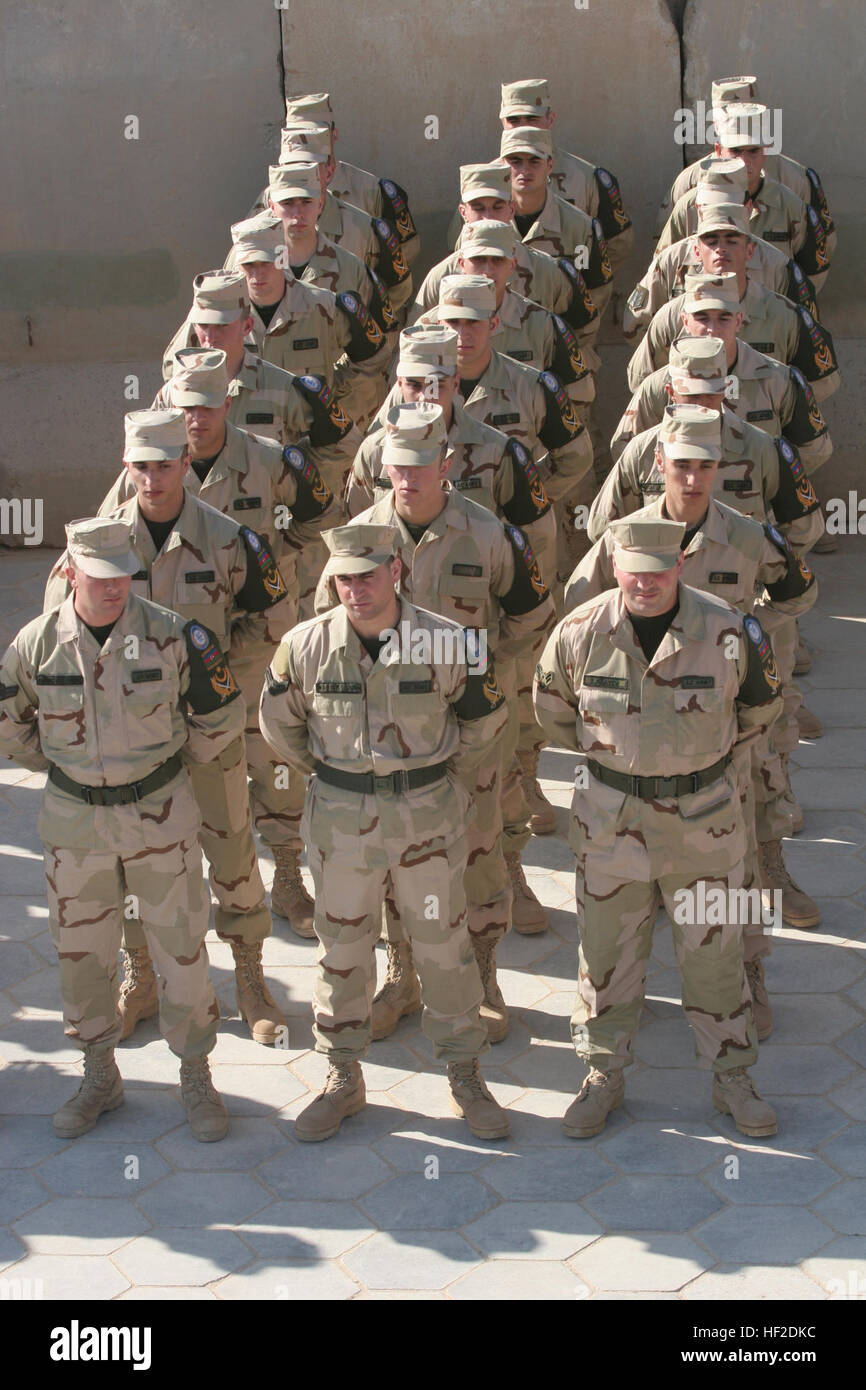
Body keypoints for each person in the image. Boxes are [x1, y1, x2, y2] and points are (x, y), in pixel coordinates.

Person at [45, 409, 291, 1046]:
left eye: (165, 465)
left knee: (231, 846)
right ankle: (143, 979)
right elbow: (59, 629)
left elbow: (271, 620)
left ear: (187, 463)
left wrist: (206, 678)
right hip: (129, 742)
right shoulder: (97, 548)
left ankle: (250, 978)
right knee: (131, 861)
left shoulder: (232, 540)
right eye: (141, 466)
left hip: (207, 731)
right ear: (126, 467)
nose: (153, 480)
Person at [259, 523, 512, 1142]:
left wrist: (433, 776)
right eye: (343, 579)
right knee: (342, 951)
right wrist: (339, 778)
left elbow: (485, 720)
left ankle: (465, 1074)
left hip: (426, 819)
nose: (355, 590)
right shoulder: (303, 646)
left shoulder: (453, 644)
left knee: (442, 947)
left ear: (396, 571)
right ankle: (342, 1076)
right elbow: (279, 727)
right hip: (343, 825)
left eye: (367, 576)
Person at [534, 518, 783, 1139]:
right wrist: (625, 765)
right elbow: (553, 714)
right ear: (615, 567)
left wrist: (690, 766)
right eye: (633, 571)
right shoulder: (580, 632)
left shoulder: (727, 629)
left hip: (703, 824)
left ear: (680, 567)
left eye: (659, 571)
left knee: (715, 955)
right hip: (611, 823)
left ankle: (733, 1078)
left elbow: (759, 709)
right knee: (606, 956)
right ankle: (602, 1075)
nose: (645, 583)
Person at [566, 405, 820, 1011]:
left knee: (736, 863)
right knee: (630, 865)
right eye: (681, 464)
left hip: (719, 736)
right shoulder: (625, 537)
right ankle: (626, 992)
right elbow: (578, 610)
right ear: (660, 464)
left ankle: (745, 972)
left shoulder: (748, 535)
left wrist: (746, 644)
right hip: (637, 734)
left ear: (720, 466)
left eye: (705, 465)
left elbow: (797, 590)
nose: (692, 477)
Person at [0, 518, 243, 1141]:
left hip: (158, 820)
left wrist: (162, 762)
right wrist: (67, 765)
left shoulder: (172, 635)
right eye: (101, 577)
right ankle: (100, 1074)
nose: (114, 588)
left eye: (125, 576)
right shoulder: (37, 644)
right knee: (83, 954)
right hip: (76, 826)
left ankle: (196, 1074)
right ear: (70, 571)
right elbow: (8, 718)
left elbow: (220, 715)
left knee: (181, 950)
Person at [319, 404, 554, 1042]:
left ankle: (483, 976)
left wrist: (480, 669)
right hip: (388, 739)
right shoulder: (360, 538)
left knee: (479, 848)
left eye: (423, 466)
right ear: (382, 467)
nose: (410, 478)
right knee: (398, 855)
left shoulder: (487, 533)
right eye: (398, 467)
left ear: (445, 465)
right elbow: (323, 627)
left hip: (471, 727)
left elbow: (532, 612)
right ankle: (403, 977)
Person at [100, 352, 340, 940]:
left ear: (226, 404)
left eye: (206, 407)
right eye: (184, 408)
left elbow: (320, 514)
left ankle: (285, 876)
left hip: (239, 659)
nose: (195, 418)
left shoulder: (263, 460)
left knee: (271, 763)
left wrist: (274, 560)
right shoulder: (129, 494)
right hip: (150, 688)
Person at [347, 325, 557, 930]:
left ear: (456, 383)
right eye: (411, 383)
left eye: (435, 383)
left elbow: (533, 546)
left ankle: (507, 874)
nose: (422, 394)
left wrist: (492, 657)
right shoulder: (373, 452)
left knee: (500, 779)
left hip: (478, 661)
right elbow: (355, 549)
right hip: (393, 684)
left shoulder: (497, 450)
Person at [611, 273, 833, 479]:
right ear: (685, 321)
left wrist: (767, 483)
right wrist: (676, 487)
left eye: (723, 318)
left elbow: (815, 450)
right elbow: (626, 452)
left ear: (739, 320)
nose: (712, 329)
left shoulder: (779, 379)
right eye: (702, 318)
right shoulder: (658, 386)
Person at [627, 205, 839, 402]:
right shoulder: (671, 316)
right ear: (697, 252)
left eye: (731, 240)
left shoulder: (785, 315)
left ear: (750, 250)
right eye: (711, 241)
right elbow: (642, 384)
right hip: (692, 436)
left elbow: (822, 383)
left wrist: (771, 398)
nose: (721, 249)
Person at [157, 269, 361, 462]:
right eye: (203, 326)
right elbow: (151, 461)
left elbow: (345, 444)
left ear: (247, 326)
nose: (210, 338)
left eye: (221, 326)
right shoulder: (171, 395)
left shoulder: (282, 387)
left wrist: (296, 478)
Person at [656, 74, 836, 260]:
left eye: (747, 111)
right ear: (715, 122)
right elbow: (667, 251)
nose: (743, 161)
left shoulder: (796, 178)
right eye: (729, 114)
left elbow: (820, 251)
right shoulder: (691, 181)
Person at [414, 162, 597, 334]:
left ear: (511, 209)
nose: (488, 217)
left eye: (497, 207)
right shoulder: (441, 278)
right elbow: (417, 342)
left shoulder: (546, 271)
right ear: (463, 213)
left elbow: (581, 332)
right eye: (478, 208)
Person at [656, 111, 830, 291]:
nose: (744, 161)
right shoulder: (690, 206)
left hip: (764, 314)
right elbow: (662, 269)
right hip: (703, 315)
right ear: (719, 151)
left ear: (765, 152)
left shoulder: (789, 206)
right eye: (735, 151)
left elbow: (813, 273)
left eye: (753, 151)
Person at [497, 77, 633, 270]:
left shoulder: (587, 178)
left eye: (532, 118)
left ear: (550, 119)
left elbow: (617, 245)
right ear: (502, 122)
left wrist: (578, 287)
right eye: (514, 120)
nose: (524, 127)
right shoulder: (485, 183)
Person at [283, 90, 420, 266]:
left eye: (317, 134)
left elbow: (405, 254)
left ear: (334, 135)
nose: (308, 142)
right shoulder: (272, 198)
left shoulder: (371, 191)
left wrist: (366, 282)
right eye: (298, 137)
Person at [498, 126, 613, 318]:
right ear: (502, 165)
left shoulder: (580, 228)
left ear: (550, 165)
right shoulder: (483, 226)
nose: (525, 170)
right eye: (515, 162)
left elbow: (595, 293)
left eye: (535, 161)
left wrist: (563, 341)